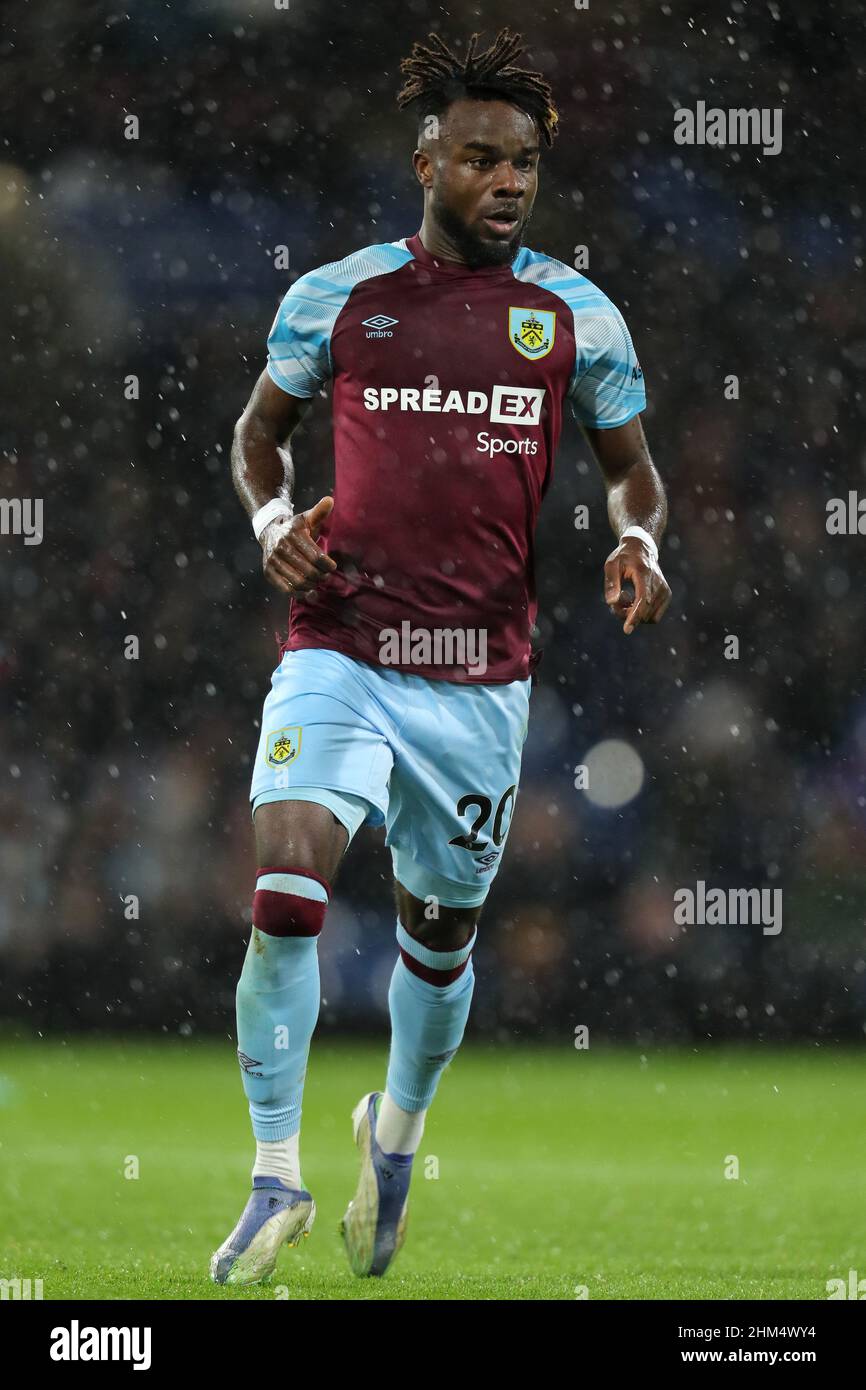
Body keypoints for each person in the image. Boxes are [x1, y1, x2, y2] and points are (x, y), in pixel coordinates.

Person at [211, 26, 671, 1286]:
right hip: (341, 647)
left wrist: (640, 547)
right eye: (479, 158)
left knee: (439, 939)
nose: (506, 181)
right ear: (426, 161)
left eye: (522, 162)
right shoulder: (337, 296)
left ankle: (395, 1135)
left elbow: (636, 477)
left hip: (478, 676)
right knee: (286, 890)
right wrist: (269, 524)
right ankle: (273, 1175)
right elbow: (259, 436)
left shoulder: (574, 316)